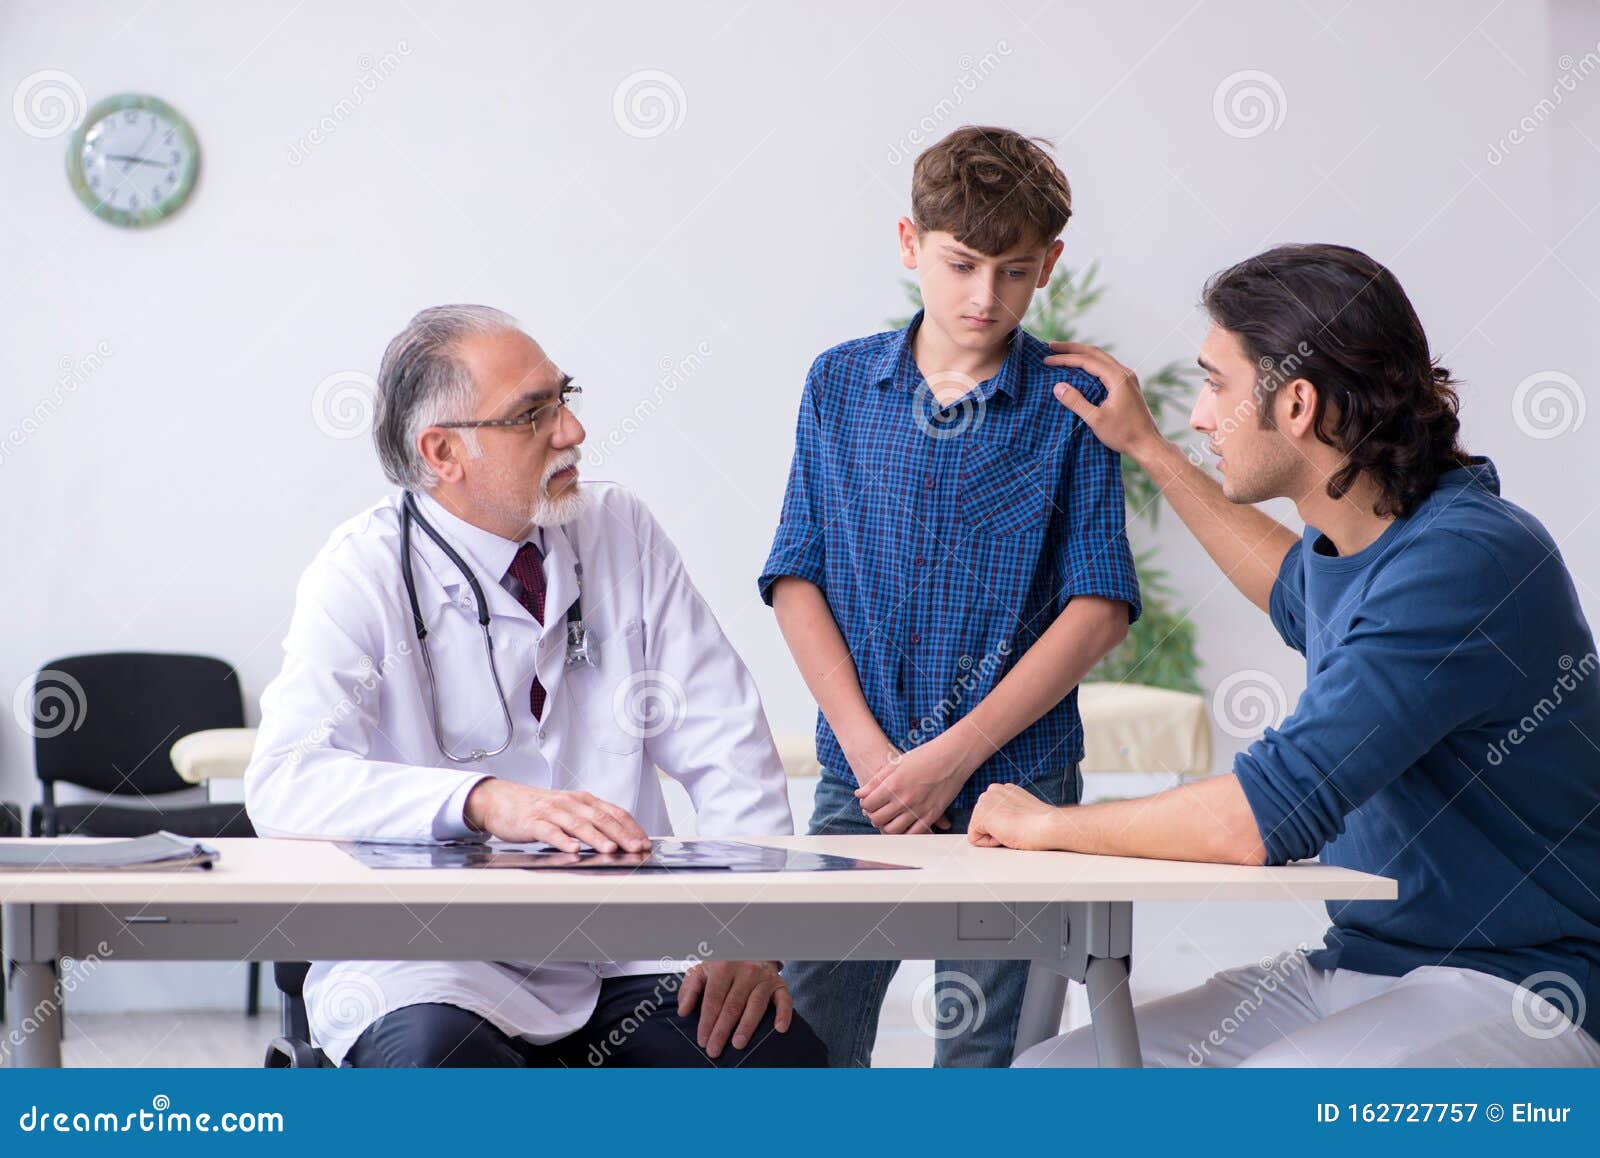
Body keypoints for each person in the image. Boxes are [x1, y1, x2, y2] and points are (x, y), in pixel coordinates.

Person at [974, 243, 1600, 1067]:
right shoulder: (1367, 540)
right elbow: (1287, 584)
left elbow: (1260, 819)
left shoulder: (1467, 561)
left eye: (1216, 384)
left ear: (1297, 403)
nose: (1201, 415)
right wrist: (1150, 449)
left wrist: (1048, 826)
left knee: (1266, 1110)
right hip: (1360, 966)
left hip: (1518, 990)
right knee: (1049, 1080)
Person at [245, 304, 826, 1068]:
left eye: (564, 397)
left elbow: (728, 743)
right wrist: (485, 801)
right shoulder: (362, 571)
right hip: (432, 960)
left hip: (621, 950)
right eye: (532, 415)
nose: (571, 431)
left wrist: (744, 933)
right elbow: (286, 779)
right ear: (443, 451)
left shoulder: (617, 528)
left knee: (778, 1065)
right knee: (445, 1071)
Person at [760, 126, 1141, 1067]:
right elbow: (796, 572)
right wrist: (871, 754)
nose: (985, 297)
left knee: (983, 1067)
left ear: (1049, 264)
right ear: (909, 243)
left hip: (1016, 791)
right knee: (805, 1048)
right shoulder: (840, 383)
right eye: (961, 263)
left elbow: (1096, 606)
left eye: (1014, 272)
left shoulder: (1072, 400)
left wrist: (955, 754)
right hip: (866, 783)